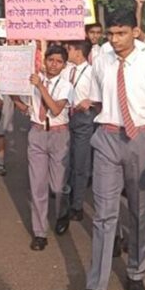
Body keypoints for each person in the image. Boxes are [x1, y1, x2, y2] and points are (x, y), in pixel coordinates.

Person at [66, 12, 145, 290]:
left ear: (135, 32)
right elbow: (100, 101)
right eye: (111, 34)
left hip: (140, 141)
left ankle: (136, 272)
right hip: (107, 138)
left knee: (139, 211)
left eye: (121, 33)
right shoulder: (102, 62)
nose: (114, 40)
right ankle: (96, 289)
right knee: (104, 215)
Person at [20, 45, 73, 250]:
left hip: (59, 134)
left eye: (59, 62)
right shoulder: (33, 81)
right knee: (37, 184)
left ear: (64, 65)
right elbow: (26, 107)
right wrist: (11, 94)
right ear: (45, 61)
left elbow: (55, 108)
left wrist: (41, 86)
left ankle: (62, 211)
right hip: (38, 132)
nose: (54, 65)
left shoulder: (65, 85)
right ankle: (39, 232)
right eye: (51, 60)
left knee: (58, 185)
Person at [63, 39, 95, 223]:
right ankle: (65, 198)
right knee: (65, 161)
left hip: (83, 118)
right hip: (65, 117)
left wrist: (89, 101)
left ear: (78, 52)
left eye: (70, 49)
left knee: (81, 163)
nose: (68, 52)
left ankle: (77, 204)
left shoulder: (92, 72)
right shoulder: (65, 69)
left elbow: (101, 95)